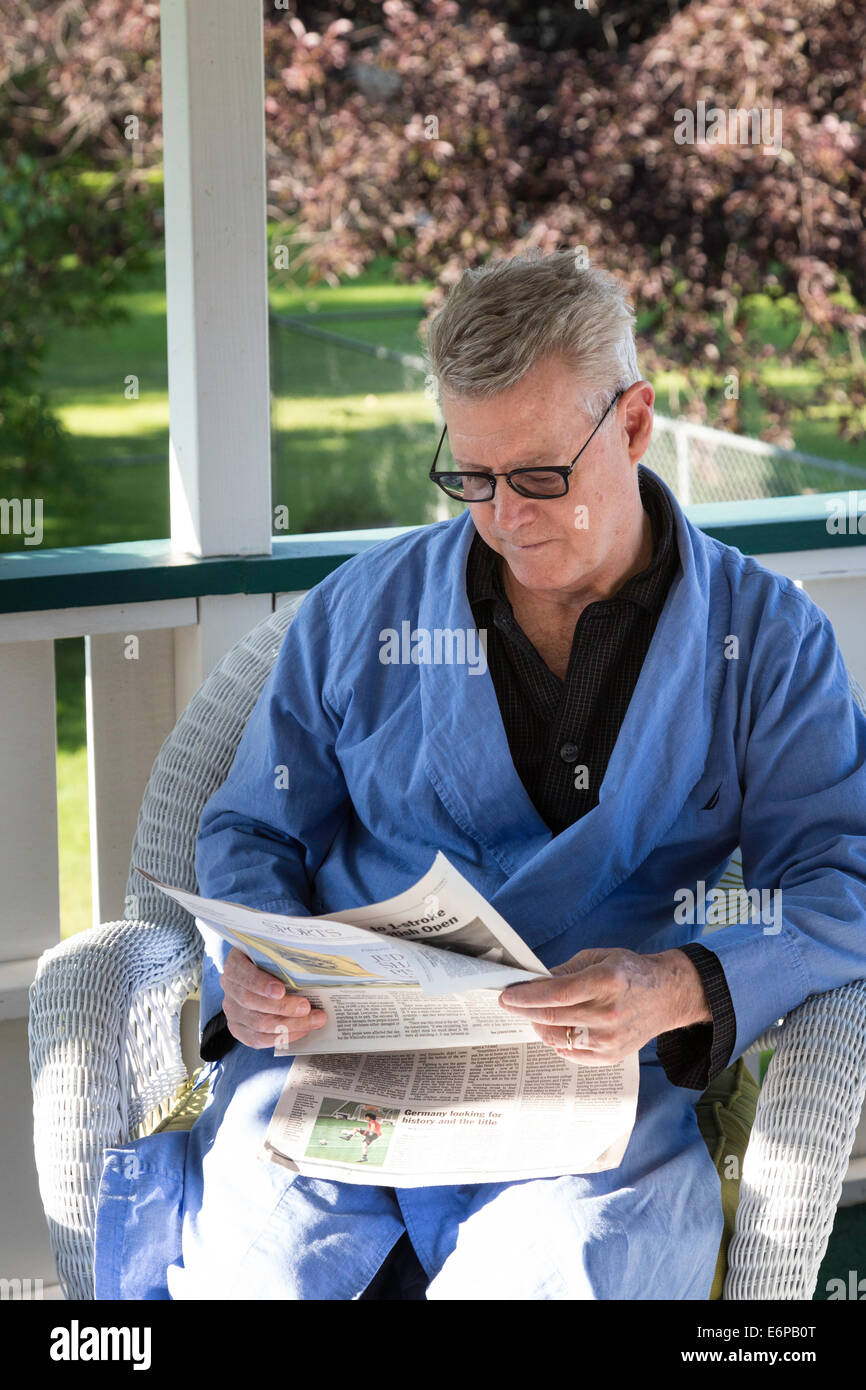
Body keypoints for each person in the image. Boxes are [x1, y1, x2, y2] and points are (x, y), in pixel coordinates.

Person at [93, 250, 866, 1301]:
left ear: (633, 426)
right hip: (344, 1067)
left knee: (567, 1270)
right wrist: (261, 962)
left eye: (540, 476)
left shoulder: (764, 642)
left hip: (592, 1093)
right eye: (471, 477)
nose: (503, 515)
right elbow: (250, 831)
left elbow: (841, 875)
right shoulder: (357, 613)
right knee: (252, 1268)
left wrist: (678, 982)